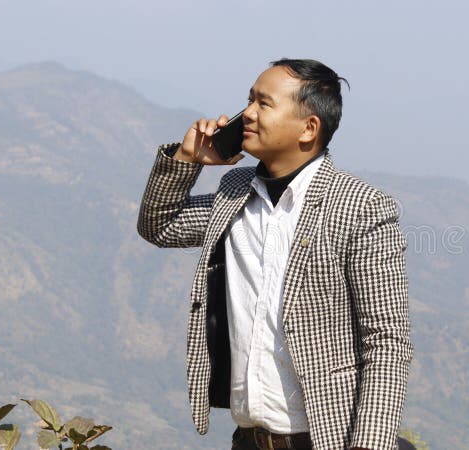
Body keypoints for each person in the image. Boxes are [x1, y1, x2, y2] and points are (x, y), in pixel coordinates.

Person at [137, 58, 412, 450]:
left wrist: (368, 445)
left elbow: (387, 339)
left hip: (326, 441)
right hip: (248, 440)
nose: (246, 113)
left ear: (309, 128)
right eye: (248, 100)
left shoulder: (361, 207)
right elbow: (159, 225)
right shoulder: (233, 193)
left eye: (264, 104)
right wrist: (187, 161)